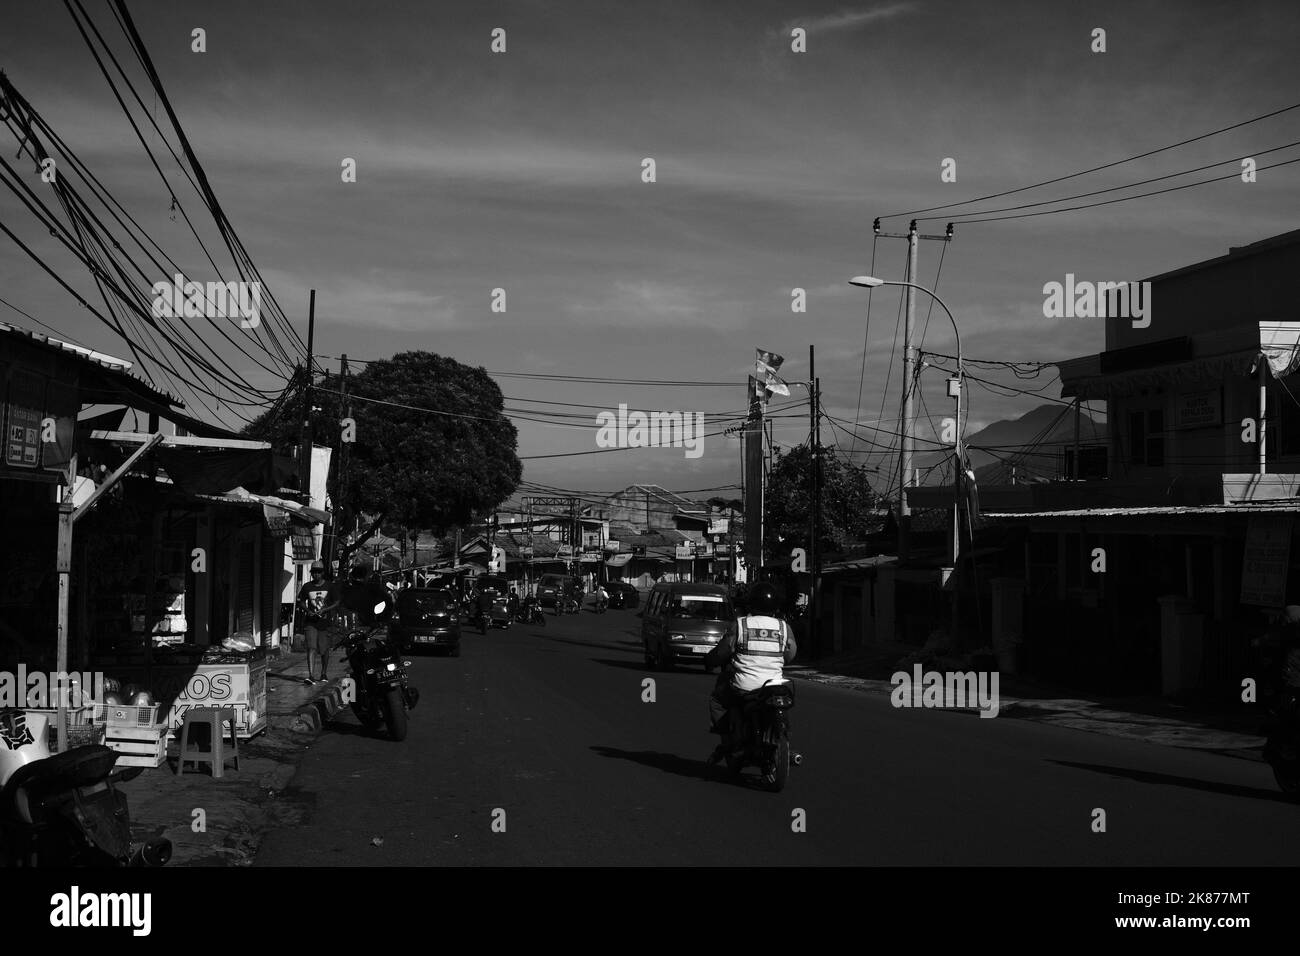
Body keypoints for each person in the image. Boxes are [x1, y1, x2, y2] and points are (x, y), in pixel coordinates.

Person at [705, 582, 797, 764]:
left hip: (745, 686)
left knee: (717, 700)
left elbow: (723, 651)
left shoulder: (741, 625)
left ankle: (726, 744)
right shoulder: (784, 627)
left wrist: (710, 660)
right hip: (775, 685)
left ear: (751, 604)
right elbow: (790, 654)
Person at [296, 561, 339, 684]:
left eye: (318, 572)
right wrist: (307, 610)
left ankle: (323, 673)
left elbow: (337, 601)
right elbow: (301, 601)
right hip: (311, 622)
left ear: (323, 573)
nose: (316, 575)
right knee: (312, 647)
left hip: (325, 623)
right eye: (314, 572)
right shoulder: (307, 587)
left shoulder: (330, 586)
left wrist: (326, 609)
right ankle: (311, 675)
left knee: (324, 649)